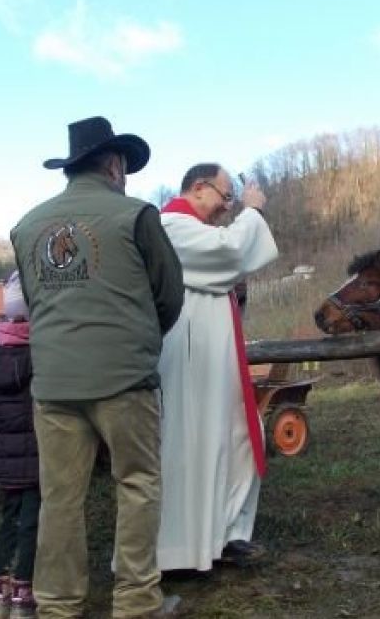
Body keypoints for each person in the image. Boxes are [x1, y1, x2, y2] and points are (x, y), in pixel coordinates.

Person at [10, 116, 184, 619]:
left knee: (60, 497)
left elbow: (36, 303)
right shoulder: (136, 216)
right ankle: (135, 602)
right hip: (123, 379)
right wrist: (139, 340)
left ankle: (58, 605)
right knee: (137, 483)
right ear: (113, 165)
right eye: (124, 167)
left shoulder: (26, 226)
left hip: (55, 383)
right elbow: (168, 296)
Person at [155, 163, 279, 572]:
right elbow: (228, 252)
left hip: (212, 354)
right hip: (189, 357)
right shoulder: (169, 224)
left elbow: (227, 262)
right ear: (198, 187)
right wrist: (253, 210)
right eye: (225, 196)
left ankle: (226, 535)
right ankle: (182, 550)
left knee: (239, 438)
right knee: (195, 443)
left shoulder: (191, 227)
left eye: (232, 199)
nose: (228, 205)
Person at [0, 271, 40, 619]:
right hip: (36, 451)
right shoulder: (40, 349)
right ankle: (24, 595)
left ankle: (1, 596)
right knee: (32, 520)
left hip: (4, 448)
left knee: (10, 518)